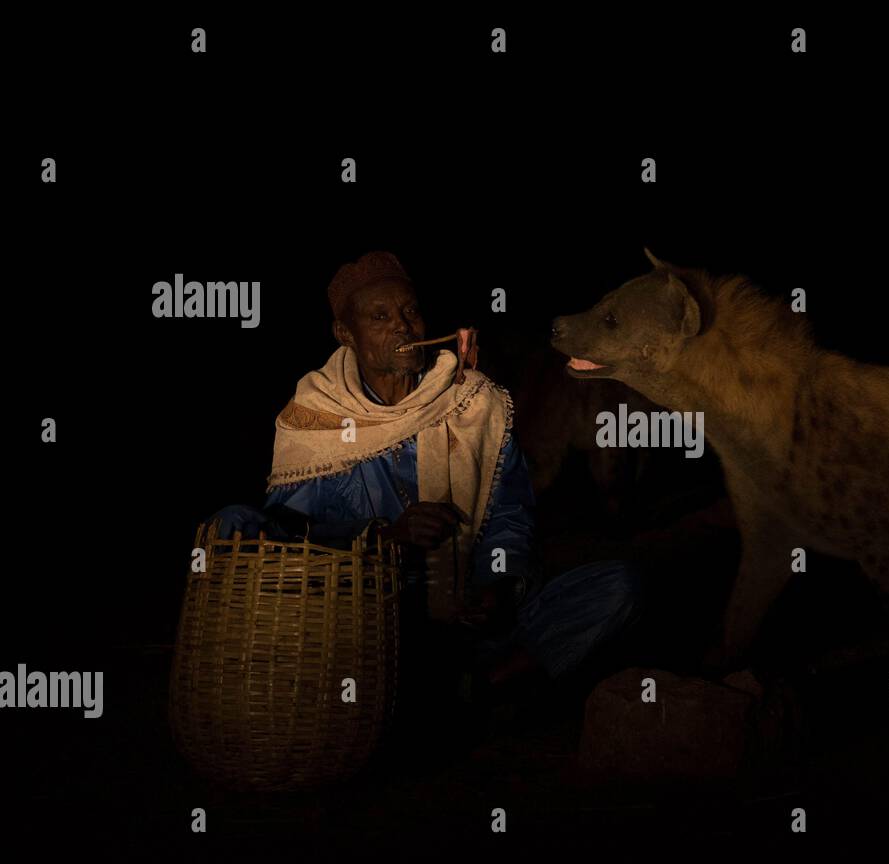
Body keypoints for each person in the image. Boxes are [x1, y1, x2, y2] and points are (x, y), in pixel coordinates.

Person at [212, 251, 640, 710]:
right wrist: (386, 537)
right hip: (364, 624)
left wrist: (495, 586)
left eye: (410, 312)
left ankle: (484, 685)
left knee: (616, 585)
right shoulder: (317, 417)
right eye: (379, 317)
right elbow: (293, 547)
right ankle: (450, 690)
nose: (402, 326)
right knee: (235, 523)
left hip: (466, 615)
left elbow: (510, 518)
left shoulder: (474, 405)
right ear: (345, 334)